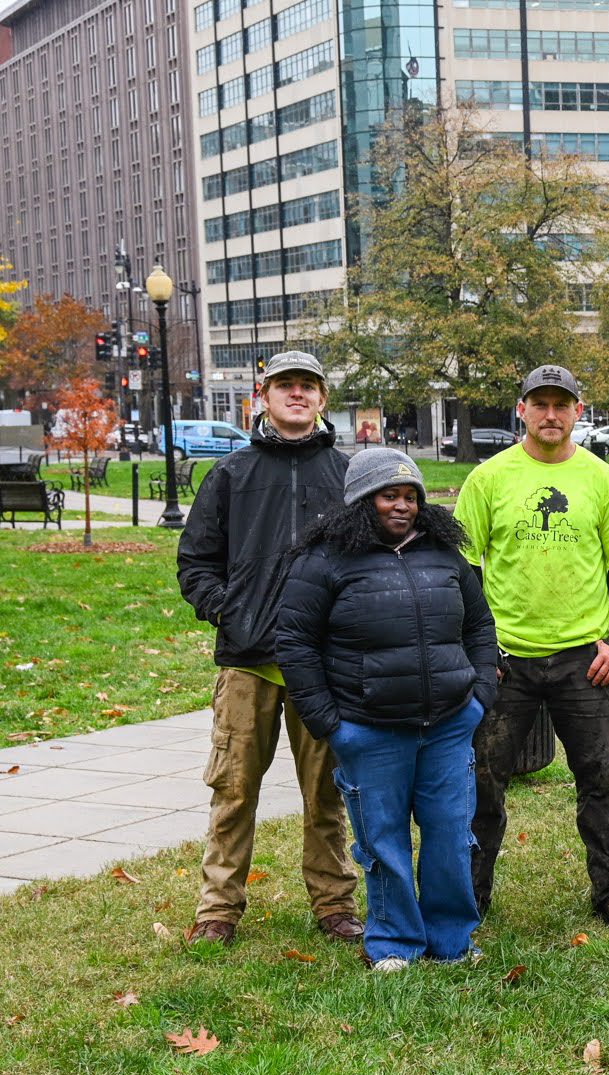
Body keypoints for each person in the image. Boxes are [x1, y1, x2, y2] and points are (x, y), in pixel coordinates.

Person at [275, 449, 497, 971]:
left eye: (411, 496)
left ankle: (451, 941)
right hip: (368, 731)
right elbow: (295, 643)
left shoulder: (444, 555)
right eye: (389, 496)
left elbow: (480, 627)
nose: (402, 506)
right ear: (360, 501)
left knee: (450, 835)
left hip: (447, 725)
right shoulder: (324, 560)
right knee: (383, 842)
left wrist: (480, 695)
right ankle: (395, 942)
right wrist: (332, 725)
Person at [176, 351, 361, 948]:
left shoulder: (349, 474)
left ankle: (335, 904)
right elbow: (196, 561)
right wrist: (226, 607)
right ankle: (218, 910)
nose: (297, 395)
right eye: (286, 386)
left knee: (328, 793)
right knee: (233, 788)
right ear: (264, 395)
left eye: (308, 386)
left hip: (323, 661)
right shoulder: (230, 474)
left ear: (323, 397)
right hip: (247, 660)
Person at [458, 366, 609, 932]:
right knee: (482, 784)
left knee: (599, 780)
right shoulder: (489, 479)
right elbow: (463, 571)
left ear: (578, 411)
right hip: (506, 661)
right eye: (538, 403)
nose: (550, 414)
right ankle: (471, 892)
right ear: (521, 410)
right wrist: (479, 649)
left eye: (560, 405)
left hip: (584, 662)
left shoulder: (602, 480)